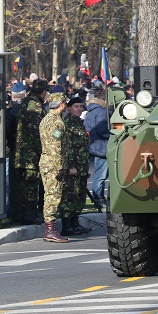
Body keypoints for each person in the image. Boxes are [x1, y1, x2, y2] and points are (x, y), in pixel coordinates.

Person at [10, 78, 49, 224]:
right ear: (43, 92)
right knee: (30, 185)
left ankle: (24, 213)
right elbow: (36, 133)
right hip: (30, 154)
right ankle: (28, 215)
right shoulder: (35, 107)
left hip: (22, 151)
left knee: (24, 184)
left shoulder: (26, 103)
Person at [39, 91, 70, 243]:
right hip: (53, 163)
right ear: (61, 104)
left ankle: (50, 229)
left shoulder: (45, 119)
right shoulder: (57, 122)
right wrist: (59, 167)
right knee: (53, 196)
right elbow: (56, 145)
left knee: (49, 194)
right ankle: (50, 230)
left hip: (46, 161)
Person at [60, 96, 91, 236]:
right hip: (73, 167)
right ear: (69, 108)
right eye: (76, 106)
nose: (79, 109)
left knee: (79, 196)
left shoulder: (79, 123)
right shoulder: (67, 123)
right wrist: (71, 166)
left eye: (80, 106)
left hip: (82, 167)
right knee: (70, 196)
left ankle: (75, 223)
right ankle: (67, 225)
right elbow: (67, 148)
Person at [85, 86, 110, 212]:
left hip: (96, 145)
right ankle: (98, 198)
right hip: (102, 146)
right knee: (101, 175)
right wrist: (112, 136)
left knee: (100, 174)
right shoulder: (101, 111)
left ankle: (98, 197)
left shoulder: (93, 110)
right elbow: (102, 129)